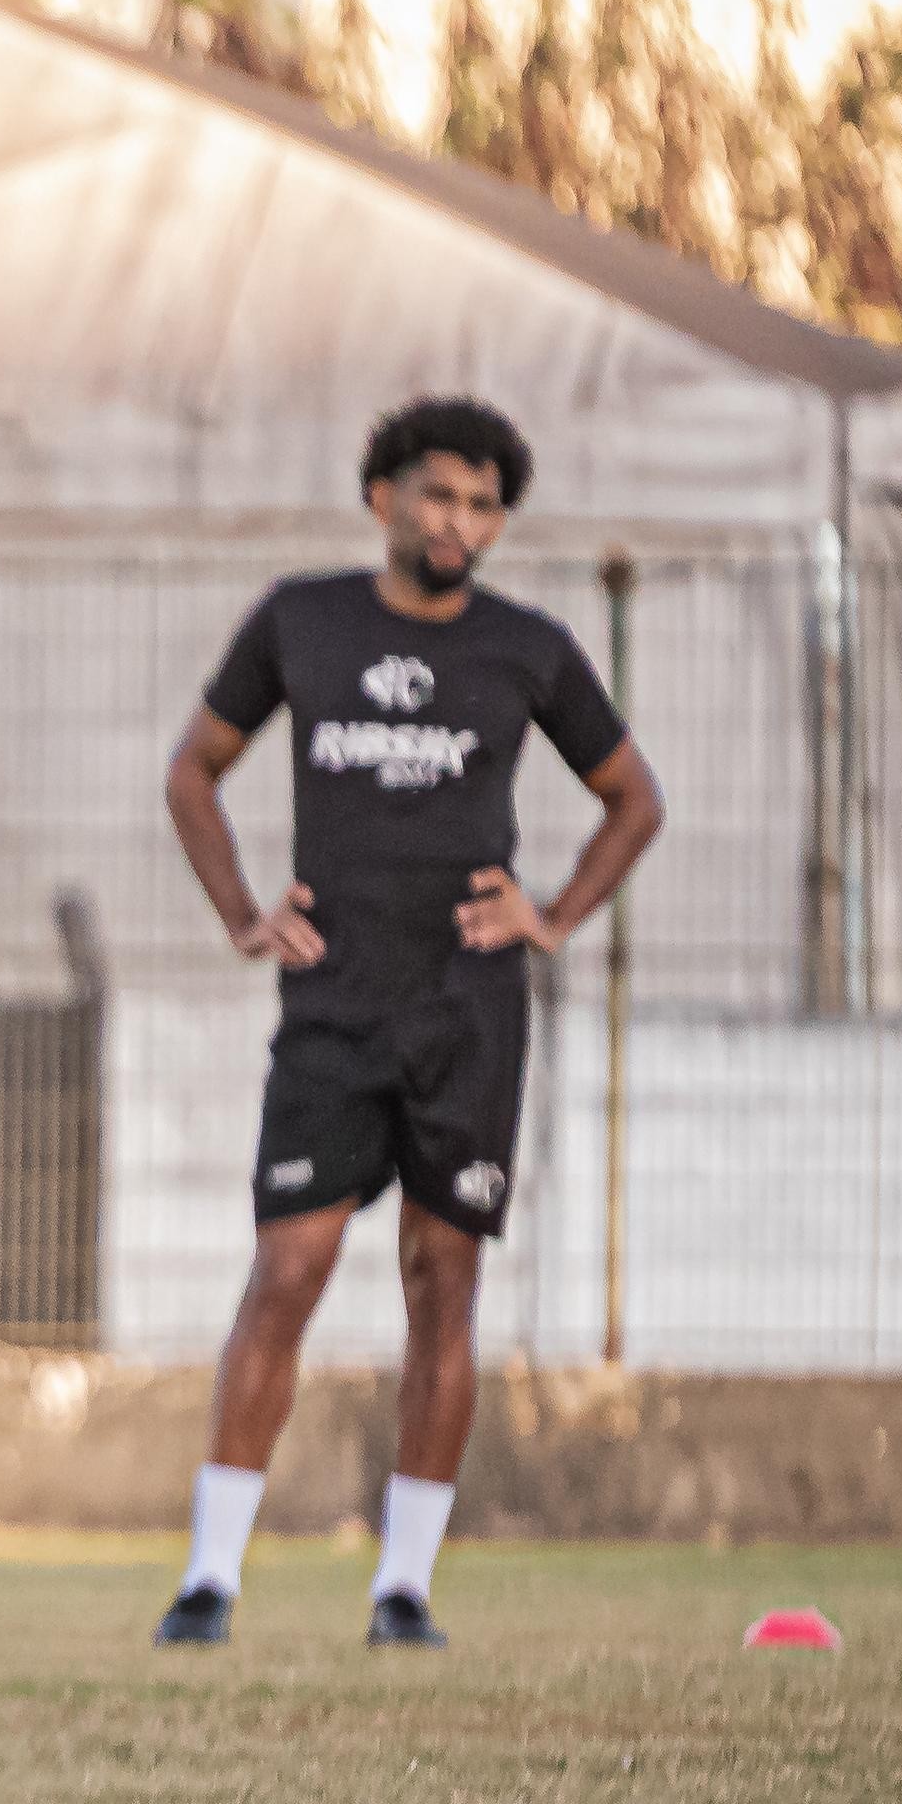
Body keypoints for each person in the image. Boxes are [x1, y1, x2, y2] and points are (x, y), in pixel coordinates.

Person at [152, 398, 665, 1649]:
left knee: (444, 1280)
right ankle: (208, 1578)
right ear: (380, 494)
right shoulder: (301, 621)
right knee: (287, 1270)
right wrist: (239, 912)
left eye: (484, 505)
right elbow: (191, 770)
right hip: (331, 1005)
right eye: (439, 495)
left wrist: (549, 913)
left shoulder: (526, 648)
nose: (459, 523)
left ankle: (403, 1589)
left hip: (464, 1013)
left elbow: (631, 798)